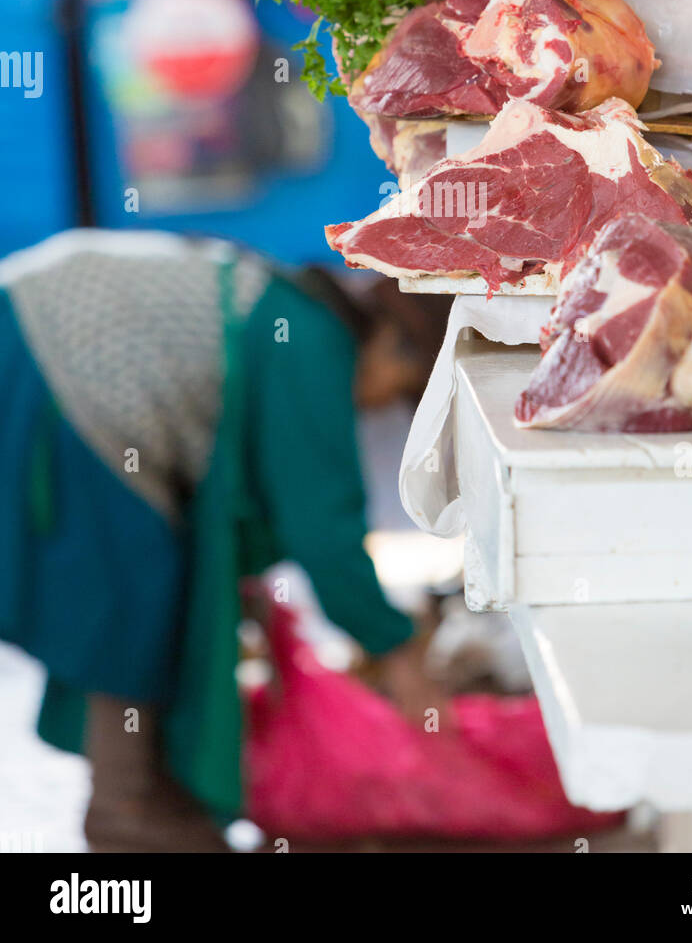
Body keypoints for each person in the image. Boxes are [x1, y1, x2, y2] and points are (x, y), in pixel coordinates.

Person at [0, 229, 447, 852]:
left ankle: (160, 796)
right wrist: (397, 653)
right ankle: (124, 812)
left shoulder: (290, 310)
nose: (377, 410)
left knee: (153, 586)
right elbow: (323, 529)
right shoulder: (314, 342)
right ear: (390, 344)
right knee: (128, 595)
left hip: (35, 336)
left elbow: (242, 496)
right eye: (400, 390)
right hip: (60, 367)